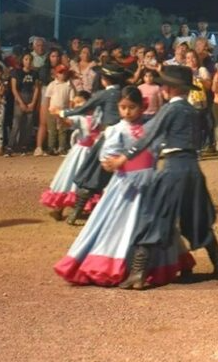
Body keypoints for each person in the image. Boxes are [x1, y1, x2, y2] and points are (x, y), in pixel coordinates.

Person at [55, 86, 193, 287]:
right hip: (124, 186)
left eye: (132, 107)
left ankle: (163, 264)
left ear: (142, 106)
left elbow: (160, 147)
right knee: (119, 226)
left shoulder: (151, 127)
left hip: (150, 183)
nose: (127, 112)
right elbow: (107, 158)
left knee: (157, 224)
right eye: (123, 107)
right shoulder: (116, 130)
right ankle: (115, 265)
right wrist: (111, 163)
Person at [110, 65, 218, 288]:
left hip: (174, 168)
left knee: (154, 216)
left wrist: (123, 158)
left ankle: (138, 274)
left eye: (165, 84)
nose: (163, 87)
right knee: (197, 218)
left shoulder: (170, 110)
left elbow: (148, 135)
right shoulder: (193, 110)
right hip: (193, 169)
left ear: (173, 88)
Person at [60, 64, 129, 225]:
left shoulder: (105, 94)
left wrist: (63, 112)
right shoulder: (124, 93)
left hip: (109, 137)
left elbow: (84, 107)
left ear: (104, 80)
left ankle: (76, 212)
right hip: (126, 137)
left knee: (93, 174)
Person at [40, 92, 102, 224]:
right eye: (75, 102)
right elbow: (69, 122)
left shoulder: (99, 115)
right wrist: (60, 116)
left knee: (92, 180)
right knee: (70, 179)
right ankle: (59, 208)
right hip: (81, 153)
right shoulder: (79, 117)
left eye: (80, 102)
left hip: (94, 152)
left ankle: (88, 208)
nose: (77, 105)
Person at [41, 65, 75, 156]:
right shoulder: (52, 84)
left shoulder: (69, 85)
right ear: (56, 74)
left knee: (62, 130)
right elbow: (47, 98)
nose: (62, 74)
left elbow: (71, 100)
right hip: (52, 110)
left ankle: (62, 148)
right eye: (60, 72)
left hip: (63, 111)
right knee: (52, 130)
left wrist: (70, 111)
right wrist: (47, 110)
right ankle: (51, 148)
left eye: (64, 72)